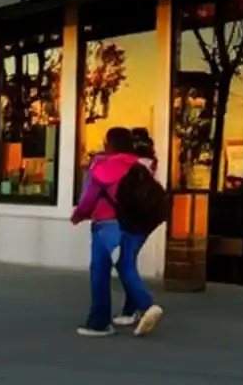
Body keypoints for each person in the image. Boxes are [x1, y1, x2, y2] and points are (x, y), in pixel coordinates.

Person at [70, 127, 163, 337]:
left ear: (109, 144)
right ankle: (131, 310)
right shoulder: (139, 166)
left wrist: (79, 215)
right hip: (132, 224)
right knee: (124, 263)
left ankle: (105, 320)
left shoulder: (102, 166)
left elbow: (89, 198)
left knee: (100, 271)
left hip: (105, 224)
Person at [114, 128, 160, 328]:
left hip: (134, 219)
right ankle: (130, 309)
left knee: (124, 263)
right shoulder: (150, 160)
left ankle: (145, 304)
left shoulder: (130, 163)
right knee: (127, 262)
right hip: (147, 218)